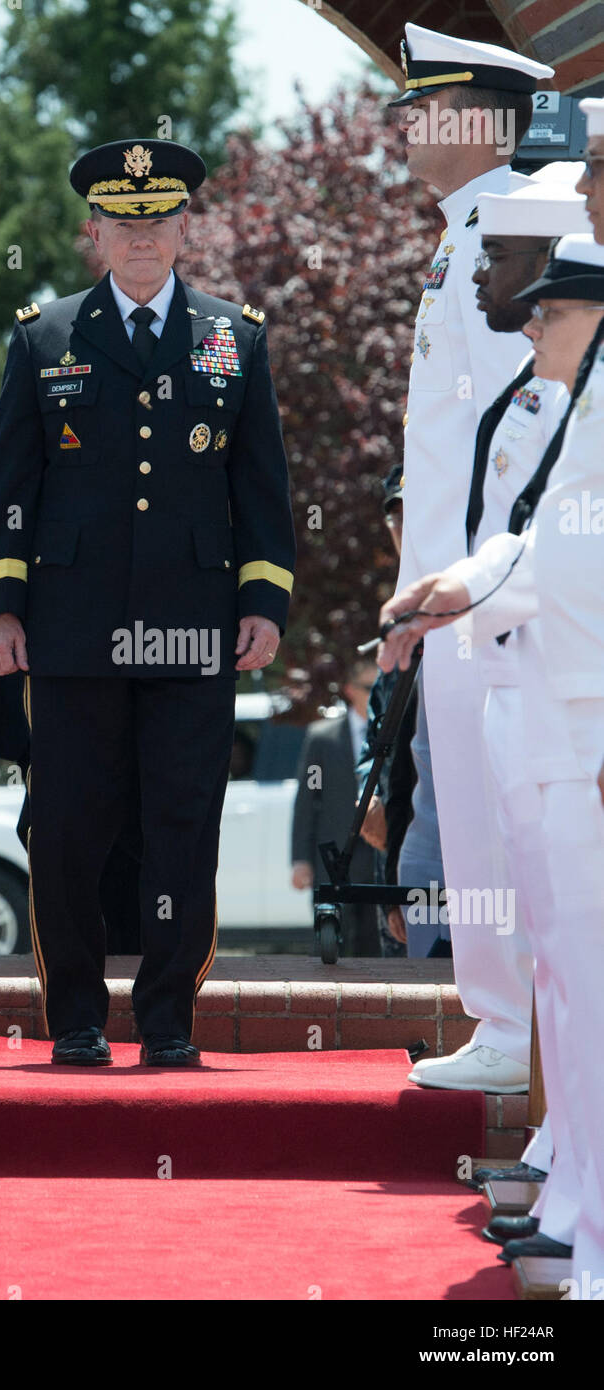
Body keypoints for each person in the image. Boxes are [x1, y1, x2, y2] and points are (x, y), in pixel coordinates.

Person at [0, 138, 295, 1066]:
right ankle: (74, 1017)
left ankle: (167, 1019)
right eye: (122, 222)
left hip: (194, 631)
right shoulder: (44, 337)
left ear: (182, 228)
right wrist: (0, 608)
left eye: (156, 221)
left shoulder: (236, 337)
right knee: (70, 825)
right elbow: (9, 491)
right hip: (72, 634)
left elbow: (262, 491)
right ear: (94, 233)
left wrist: (263, 603)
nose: (140, 236)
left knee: (182, 825)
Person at [379, 215, 604, 1287]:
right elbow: (532, 533)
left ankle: (587, 1221)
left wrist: (462, 586)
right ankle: (572, 1197)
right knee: (562, 973)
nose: (530, 324)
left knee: (585, 979)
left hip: (577, 711)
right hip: (542, 701)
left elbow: (568, 549)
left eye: (549, 307)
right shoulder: (563, 400)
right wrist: (452, 589)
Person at [388, 21, 553, 1092]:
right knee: (467, 799)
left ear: (477, 120)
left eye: (423, 106)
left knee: (494, 813)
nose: (405, 124)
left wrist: (471, 579)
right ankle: (499, 1021)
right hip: (451, 577)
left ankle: (512, 1030)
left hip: (482, 583)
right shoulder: (464, 229)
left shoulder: (503, 229)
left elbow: (516, 427)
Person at [0, 420, 143, 952]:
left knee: (137, 824)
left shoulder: (140, 422)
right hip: (34, 678)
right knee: (53, 825)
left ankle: (128, 959)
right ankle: (66, 960)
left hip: (140, 664)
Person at [356, 465, 418, 958]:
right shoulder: (394, 614)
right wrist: (366, 793)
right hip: (396, 845)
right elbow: (376, 734)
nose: (403, 530)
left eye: (413, 516)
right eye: (395, 519)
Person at [291, 659, 381, 957]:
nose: (376, 694)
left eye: (380, 687)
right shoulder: (322, 738)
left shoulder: (391, 734)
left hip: (379, 856)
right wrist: (300, 859)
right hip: (333, 858)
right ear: (350, 690)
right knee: (331, 948)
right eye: (369, 687)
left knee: (375, 947)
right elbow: (307, 800)